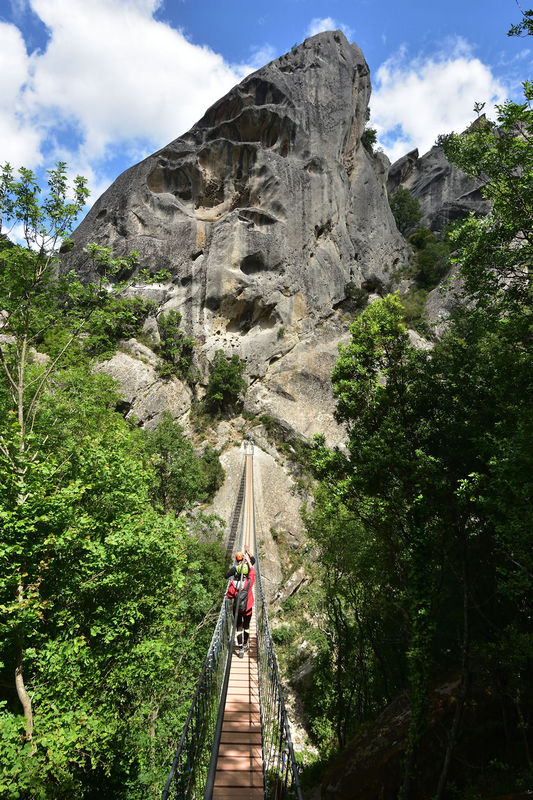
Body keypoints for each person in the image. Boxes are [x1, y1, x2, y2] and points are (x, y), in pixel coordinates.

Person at [226, 546, 255, 658]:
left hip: (237, 609)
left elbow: (229, 595)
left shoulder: (233, 584)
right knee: (246, 626)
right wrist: (248, 555)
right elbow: (252, 568)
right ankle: (245, 644)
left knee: (238, 627)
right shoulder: (250, 581)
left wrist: (228, 594)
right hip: (248, 608)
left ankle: (240, 648)